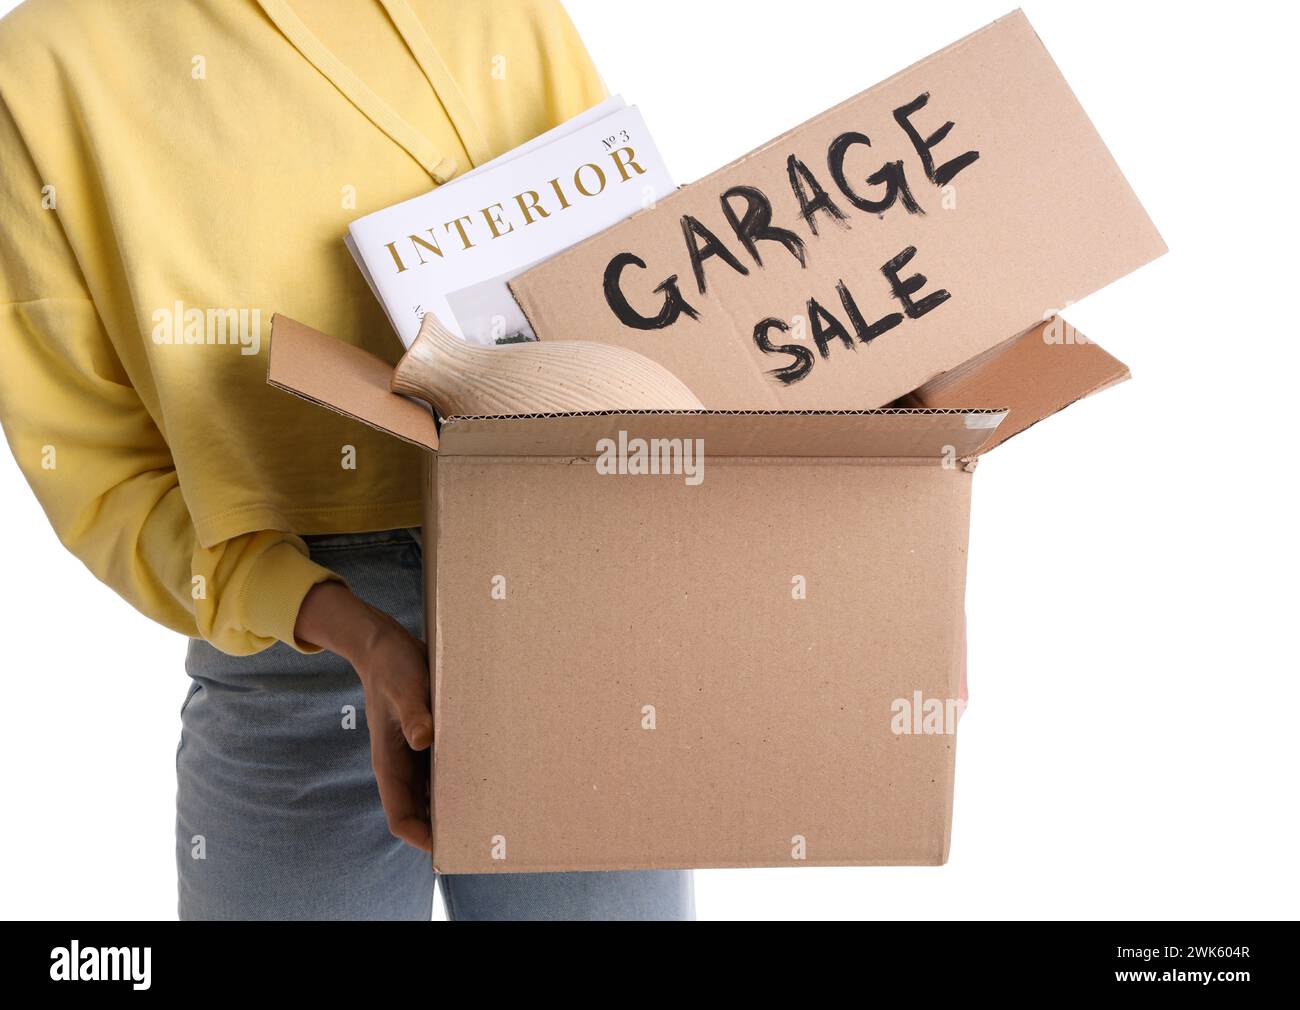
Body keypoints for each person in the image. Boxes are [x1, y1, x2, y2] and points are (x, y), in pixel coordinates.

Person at [0, 0, 694, 921]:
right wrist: (340, 626)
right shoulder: (46, 64)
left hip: (573, 600)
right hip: (292, 645)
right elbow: (98, 468)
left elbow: (654, 311)